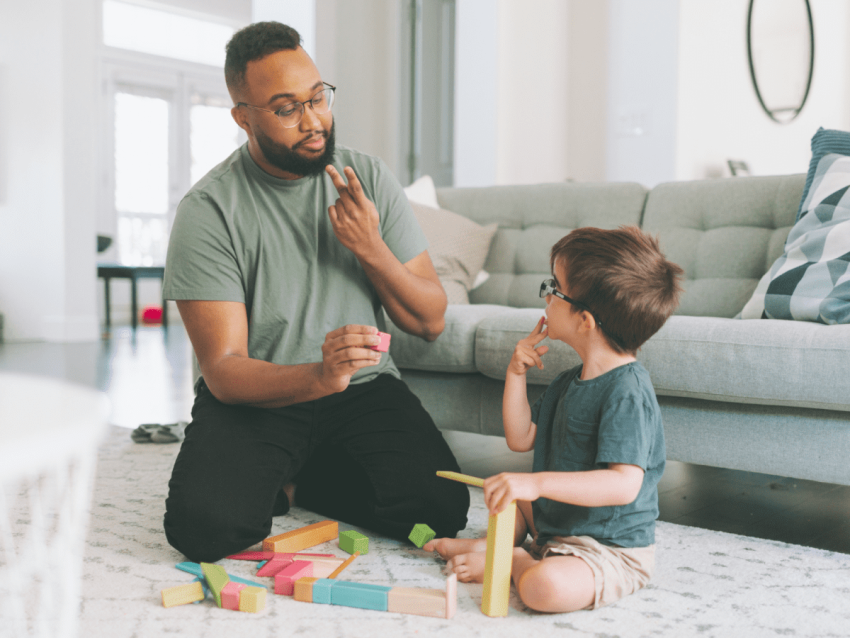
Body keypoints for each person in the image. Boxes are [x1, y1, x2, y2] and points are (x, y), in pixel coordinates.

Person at [161, 21, 469, 564]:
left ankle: (299, 484)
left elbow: (430, 320)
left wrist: (370, 247)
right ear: (243, 117)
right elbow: (225, 369)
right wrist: (317, 376)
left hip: (363, 387)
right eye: (286, 108)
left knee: (439, 509)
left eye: (317, 97)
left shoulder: (367, 177)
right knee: (205, 529)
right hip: (263, 392)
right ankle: (287, 468)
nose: (313, 120)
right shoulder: (208, 210)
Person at [425, 226, 684, 613]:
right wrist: (516, 374)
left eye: (554, 288)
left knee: (544, 589)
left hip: (605, 547)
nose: (546, 298)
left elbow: (624, 485)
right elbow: (521, 436)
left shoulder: (627, 390)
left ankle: (512, 559)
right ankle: (505, 546)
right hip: (555, 524)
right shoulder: (569, 382)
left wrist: (536, 482)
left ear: (585, 321)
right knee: (509, 497)